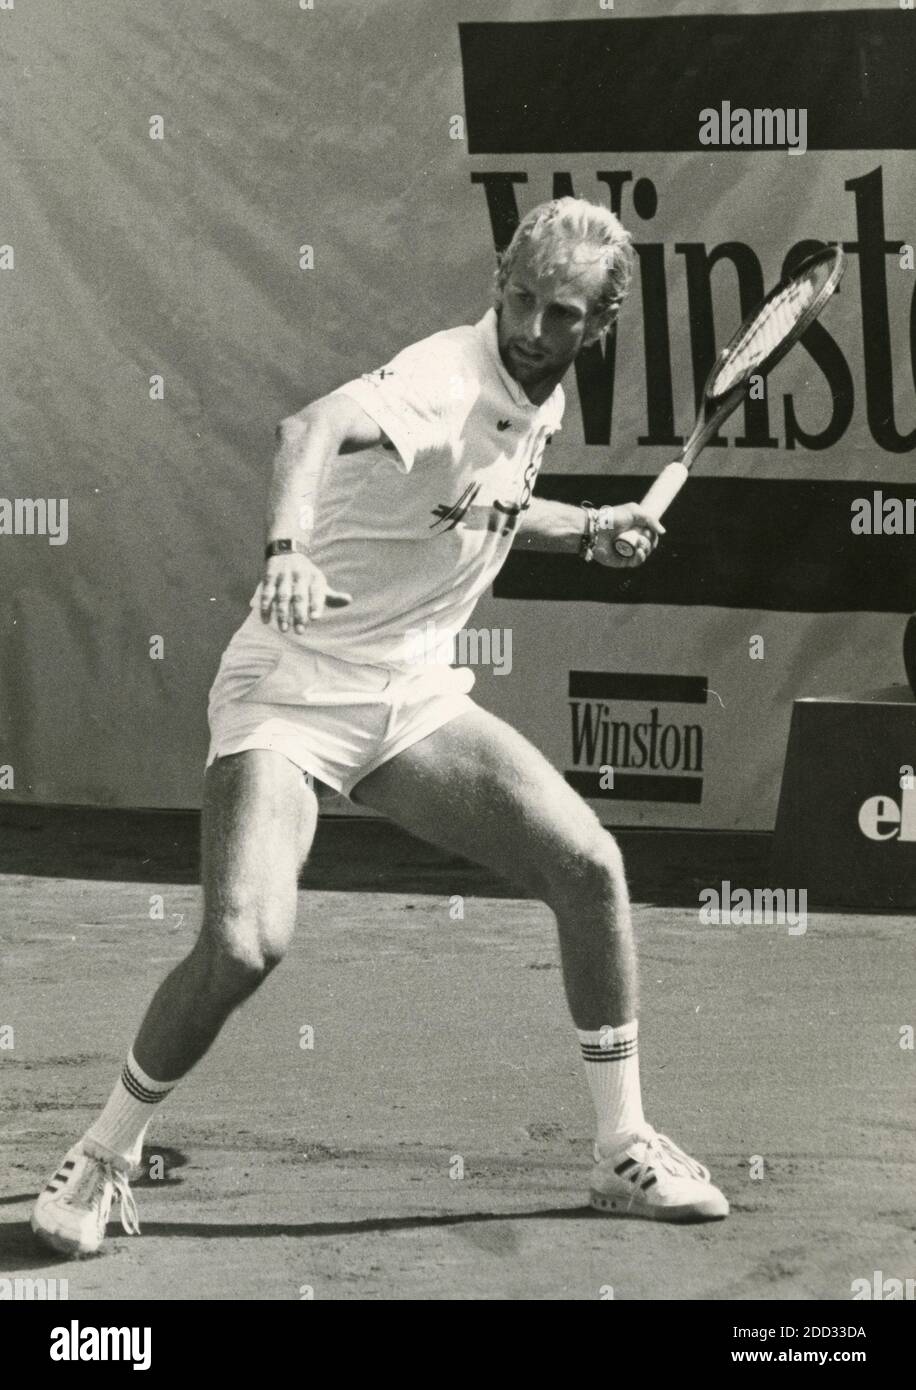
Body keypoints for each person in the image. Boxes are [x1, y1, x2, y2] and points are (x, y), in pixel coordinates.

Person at [32, 196, 727, 1257]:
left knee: (587, 865)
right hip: (293, 683)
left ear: (601, 322)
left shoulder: (535, 391)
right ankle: (103, 1151)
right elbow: (306, 428)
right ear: (499, 280)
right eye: (523, 300)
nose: (534, 329)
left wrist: (587, 527)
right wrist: (284, 551)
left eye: (563, 313)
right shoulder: (446, 376)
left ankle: (621, 1146)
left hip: (409, 693)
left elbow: (480, 504)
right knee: (244, 943)